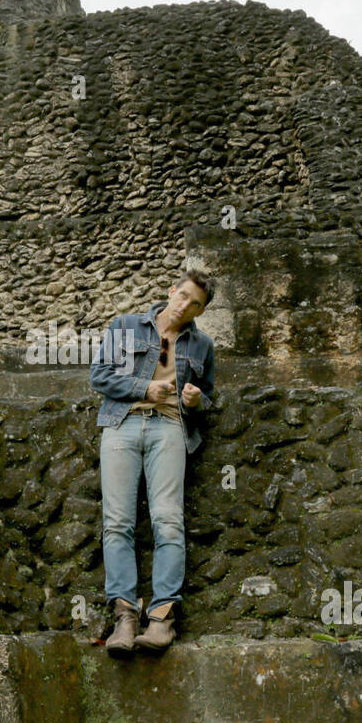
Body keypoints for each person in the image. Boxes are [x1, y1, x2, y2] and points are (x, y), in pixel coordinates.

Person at [89, 266, 216, 657]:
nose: (185, 306)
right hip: (122, 425)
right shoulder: (125, 326)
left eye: (195, 304)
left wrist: (196, 400)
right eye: (183, 296)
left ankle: (162, 618)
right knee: (117, 522)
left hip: (169, 428)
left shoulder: (202, 345)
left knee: (168, 520)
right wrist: (144, 387)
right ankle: (125, 617)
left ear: (200, 311)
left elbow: (208, 398)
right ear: (171, 290)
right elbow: (99, 376)